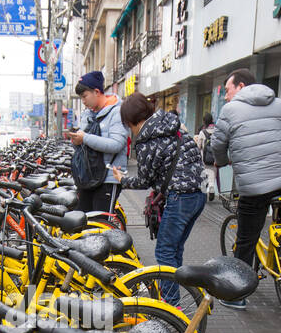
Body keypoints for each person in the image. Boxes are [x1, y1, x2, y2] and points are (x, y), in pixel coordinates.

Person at [209, 68, 281, 309]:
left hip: (253, 186)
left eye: (227, 90)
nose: (226, 96)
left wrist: (221, 161)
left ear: (240, 87)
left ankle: (236, 295)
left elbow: (218, 145)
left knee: (247, 240)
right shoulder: (278, 103)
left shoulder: (229, 110)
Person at [110, 93, 207, 309]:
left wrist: (122, 179)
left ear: (132, 120)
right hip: (199, 194)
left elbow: (144, 180)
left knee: (164, 251)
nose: (130, 130)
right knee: (174, 250)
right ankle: (174, 295)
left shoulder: (147, 139)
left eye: (128, 125)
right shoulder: (174, 126)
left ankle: (170, 305)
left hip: (180, 197)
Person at [64, 71, 128, 214]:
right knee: (82, 220)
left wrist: (85, 138)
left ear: (97, 92)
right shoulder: (88, 114)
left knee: (100, 224)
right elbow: (83, 144)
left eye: (85, 96)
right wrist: (76, 140)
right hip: (87, 176)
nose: (83, 101)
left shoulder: (117, 112)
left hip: (108, 178)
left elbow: (117, 144)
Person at [195, 112, 219, 202]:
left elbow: (198, 146)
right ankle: (212, 189)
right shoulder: (217, 131)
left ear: (204, 121)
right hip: (214, 159)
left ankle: (203, 196)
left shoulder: (202, 132)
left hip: (204, 159)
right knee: (212, 177)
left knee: (204, 176)